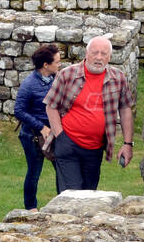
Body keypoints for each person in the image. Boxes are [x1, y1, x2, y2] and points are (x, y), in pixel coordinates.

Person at [43, 36, 136, 192]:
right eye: (95, 53)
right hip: (68, 144)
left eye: (104, 54)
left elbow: (126, 109)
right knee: (71, 194)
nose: (99, 57)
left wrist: (128, 144)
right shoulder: (67, 75)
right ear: (86, 54)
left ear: (110, 57)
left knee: (89, 193)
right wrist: (61, 136)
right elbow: (51, 106)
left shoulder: (118, 78)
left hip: (95, 148)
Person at [13, 43, 63, 210]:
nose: (59, 64)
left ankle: (62, 204)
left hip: (55, 133)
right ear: (46, 65)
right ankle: (31, 208)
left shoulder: (58, 78)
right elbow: (18, 110)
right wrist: (41, 127)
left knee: (62, 169)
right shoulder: (29, 84)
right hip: (32, 136)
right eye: (56, 62)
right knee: (34, 172)